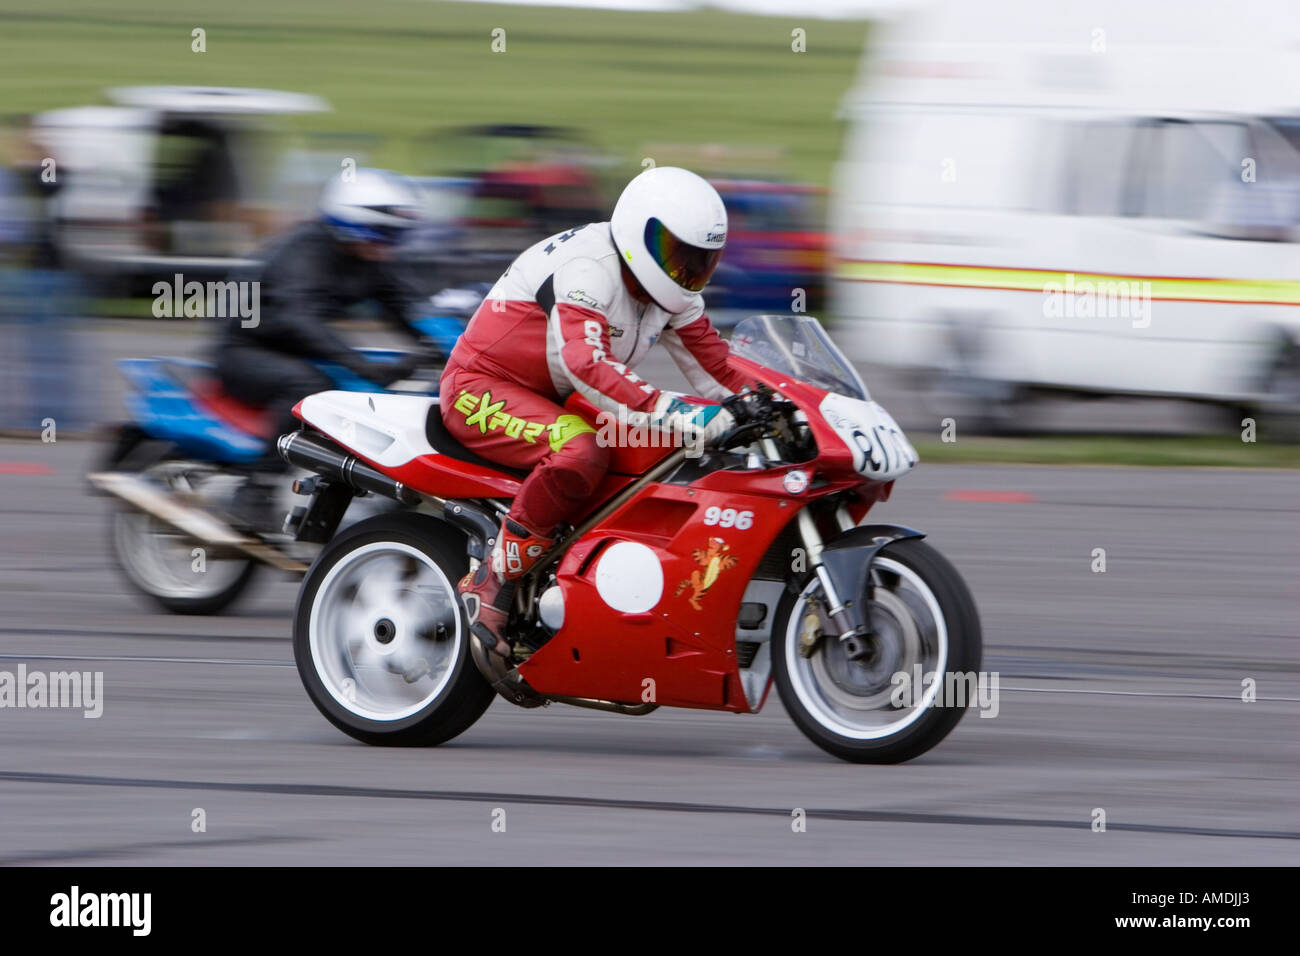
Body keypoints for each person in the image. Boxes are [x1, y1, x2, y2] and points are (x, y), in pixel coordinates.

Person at [441, 165, 750, 656]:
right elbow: (584, 363)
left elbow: (719, 368)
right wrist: (669, 408)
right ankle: (491, 581)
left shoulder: (675, 295)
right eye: (675, 255)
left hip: (557, 397)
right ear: (636, 233)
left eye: (700, 261)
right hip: (481, 388)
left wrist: (793, 405)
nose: (685, 273)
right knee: (580, 450)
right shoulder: (589, 267)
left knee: (663, 455)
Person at [216, 168, 434, 529]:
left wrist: (447, 347)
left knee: (369, 396)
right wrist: (362, 365)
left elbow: (404, 308)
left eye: (396, 235)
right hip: (243, 350)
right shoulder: (303, 253)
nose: (390, 244)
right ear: (353, 221)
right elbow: (300, 320)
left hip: (293, 348)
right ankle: (254, 488)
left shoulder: (367, 258)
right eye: (384, 232)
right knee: (307, 387)